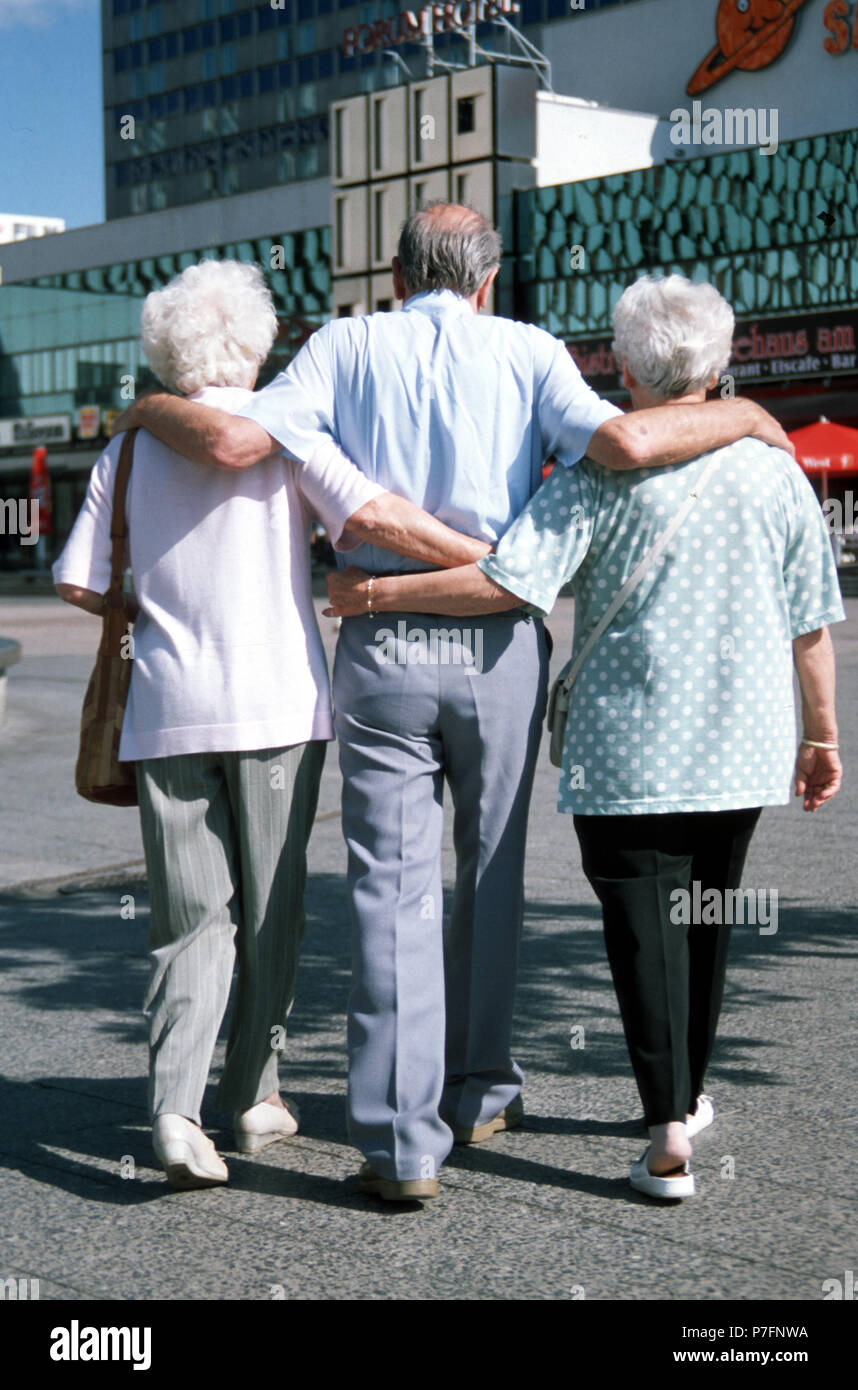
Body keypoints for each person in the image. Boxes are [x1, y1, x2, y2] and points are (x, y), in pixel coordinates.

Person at [111, 207, 795, 1203]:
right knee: (490, 871)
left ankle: (397, 1140)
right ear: (486, 280)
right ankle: (476, 1090)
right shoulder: (529, 348)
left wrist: (142, 405)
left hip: (382, 639)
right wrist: (742, 413)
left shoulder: (342, 346)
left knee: (391, 886)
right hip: (497, 635)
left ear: (395, 276)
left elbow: (227, 434)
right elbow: (620, 444)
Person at [324, 273, 844, 1200]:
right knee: (706, 922)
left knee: (645, 935)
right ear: (719, 363)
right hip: (744, 742)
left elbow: (509, 581)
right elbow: (812, 625)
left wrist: (376, 594)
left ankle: (668, 1130)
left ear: (625, 368)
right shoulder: (776, 471)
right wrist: (823, 739)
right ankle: (681, 1100)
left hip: (628, 752)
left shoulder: (602, 475)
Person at [53, 259, 489, 1191]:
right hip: (280, 704)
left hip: (166, 711)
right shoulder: (285, 431)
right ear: (253, 345)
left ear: (166, 352)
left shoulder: (126, 448)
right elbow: (371, 512)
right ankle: (254, 1093)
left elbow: (80, 581)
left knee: (186, 920)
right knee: (273, 911)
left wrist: (159, 604)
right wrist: (489, 560)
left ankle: (174, 1109)